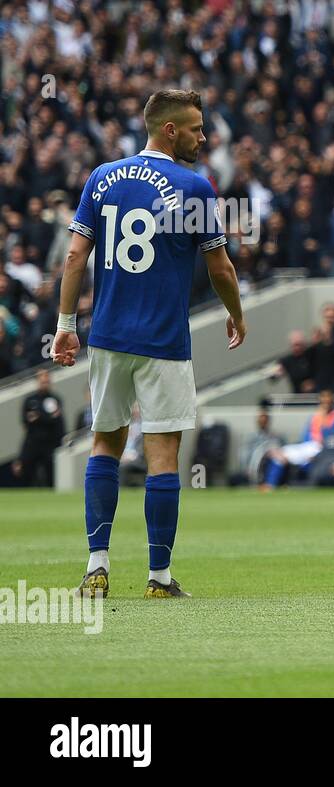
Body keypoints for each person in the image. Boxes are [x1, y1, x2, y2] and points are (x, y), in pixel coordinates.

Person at [52, 89, 246, 599]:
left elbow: (75, 259)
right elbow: (220, 266)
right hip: (163, 341)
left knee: (105, 445)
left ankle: (96, 569)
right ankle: (159, 578)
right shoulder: (194, 188)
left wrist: (65, 323)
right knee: (163, 455)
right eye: (197, 128)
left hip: (109, 337)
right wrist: (236, 313)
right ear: (169, 130)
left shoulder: (102, 177)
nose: (204, 136)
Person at [20, 368, 65, 487]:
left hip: (50, 443)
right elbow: (25, 420)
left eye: (47, 381)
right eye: (42, 380)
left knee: (51, 475)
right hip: (33, 442)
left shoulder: (55, 399)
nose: (44, 383)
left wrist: (38, 416)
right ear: (37, 381)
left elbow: (57, 420)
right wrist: (47, 417)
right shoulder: (30, 400)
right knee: (27, 473)